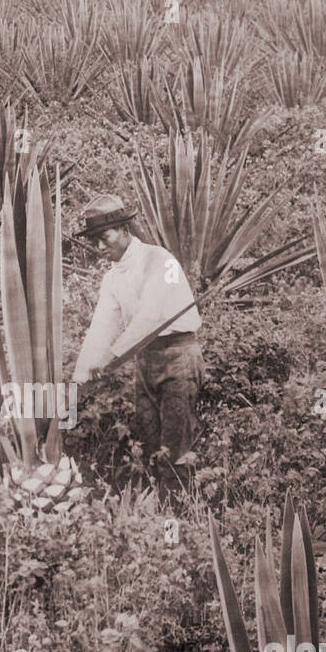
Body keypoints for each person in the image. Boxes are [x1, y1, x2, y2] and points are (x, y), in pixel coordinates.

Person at [72, 194, 204, 481]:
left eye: (104, 237)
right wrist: (77, 381)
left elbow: (150, 316)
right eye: (93, 240)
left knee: (175, 447)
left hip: (178, 356)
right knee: (149, 445)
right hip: (145, 362)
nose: (99, 246)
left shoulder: (159, 260)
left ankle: (179, 516)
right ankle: (156, 516)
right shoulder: (113, 278)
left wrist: (112, 355)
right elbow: (101, 329)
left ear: (124, 230)